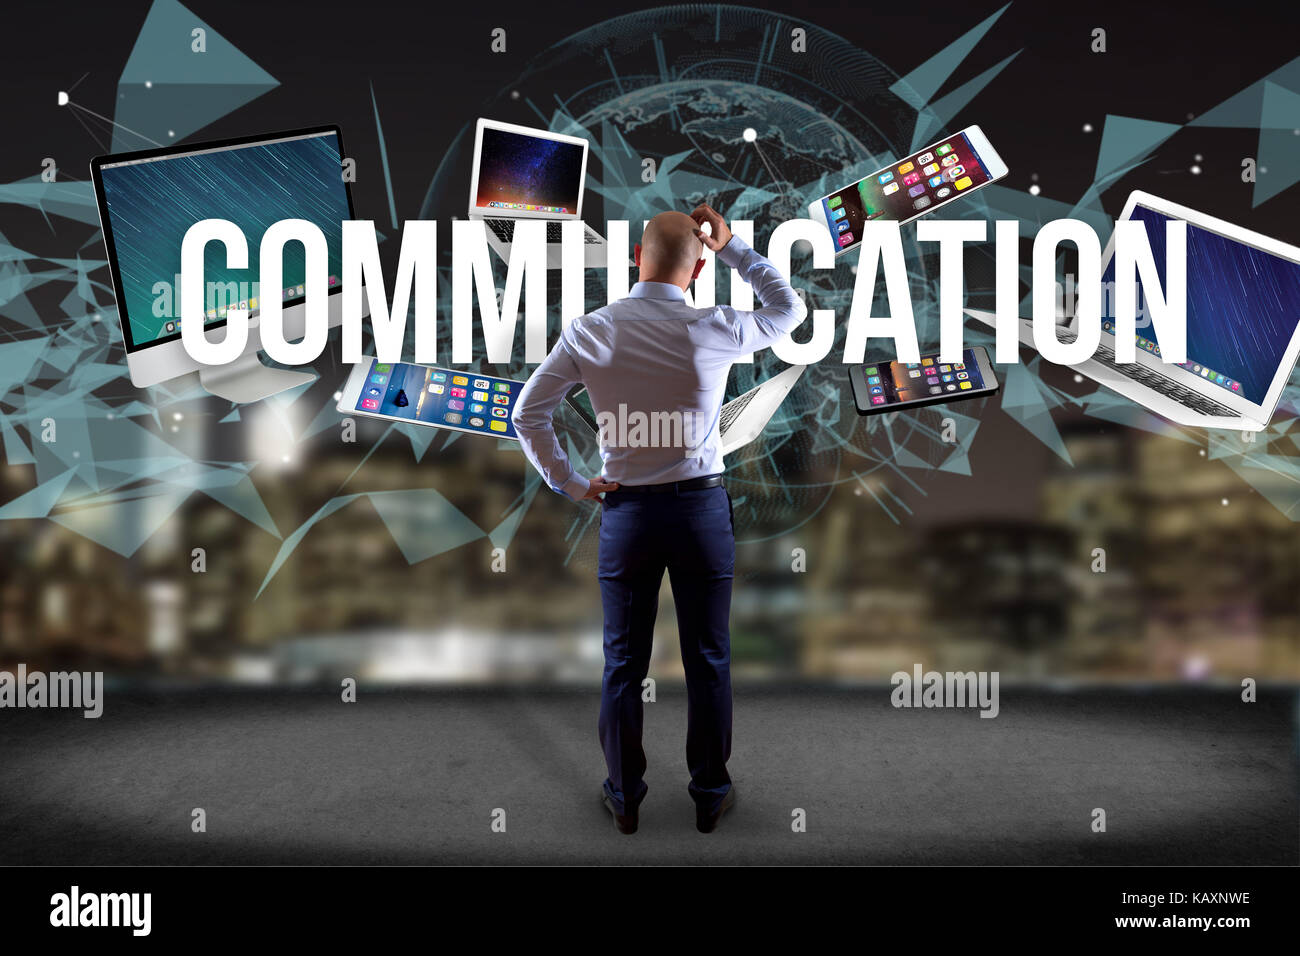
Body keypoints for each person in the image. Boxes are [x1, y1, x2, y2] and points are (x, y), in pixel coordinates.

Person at [512, 204, 806, 834]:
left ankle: (624, 798)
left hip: (627, 514)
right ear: (698, 269)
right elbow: (789, 312)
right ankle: (709, 795)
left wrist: (568, 482)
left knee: (622, 664)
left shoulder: (590, 330)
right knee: (710, 658)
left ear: (632, 261)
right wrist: (733, 250)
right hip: (701, 510)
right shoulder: (716, 324)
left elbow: (527, 414)